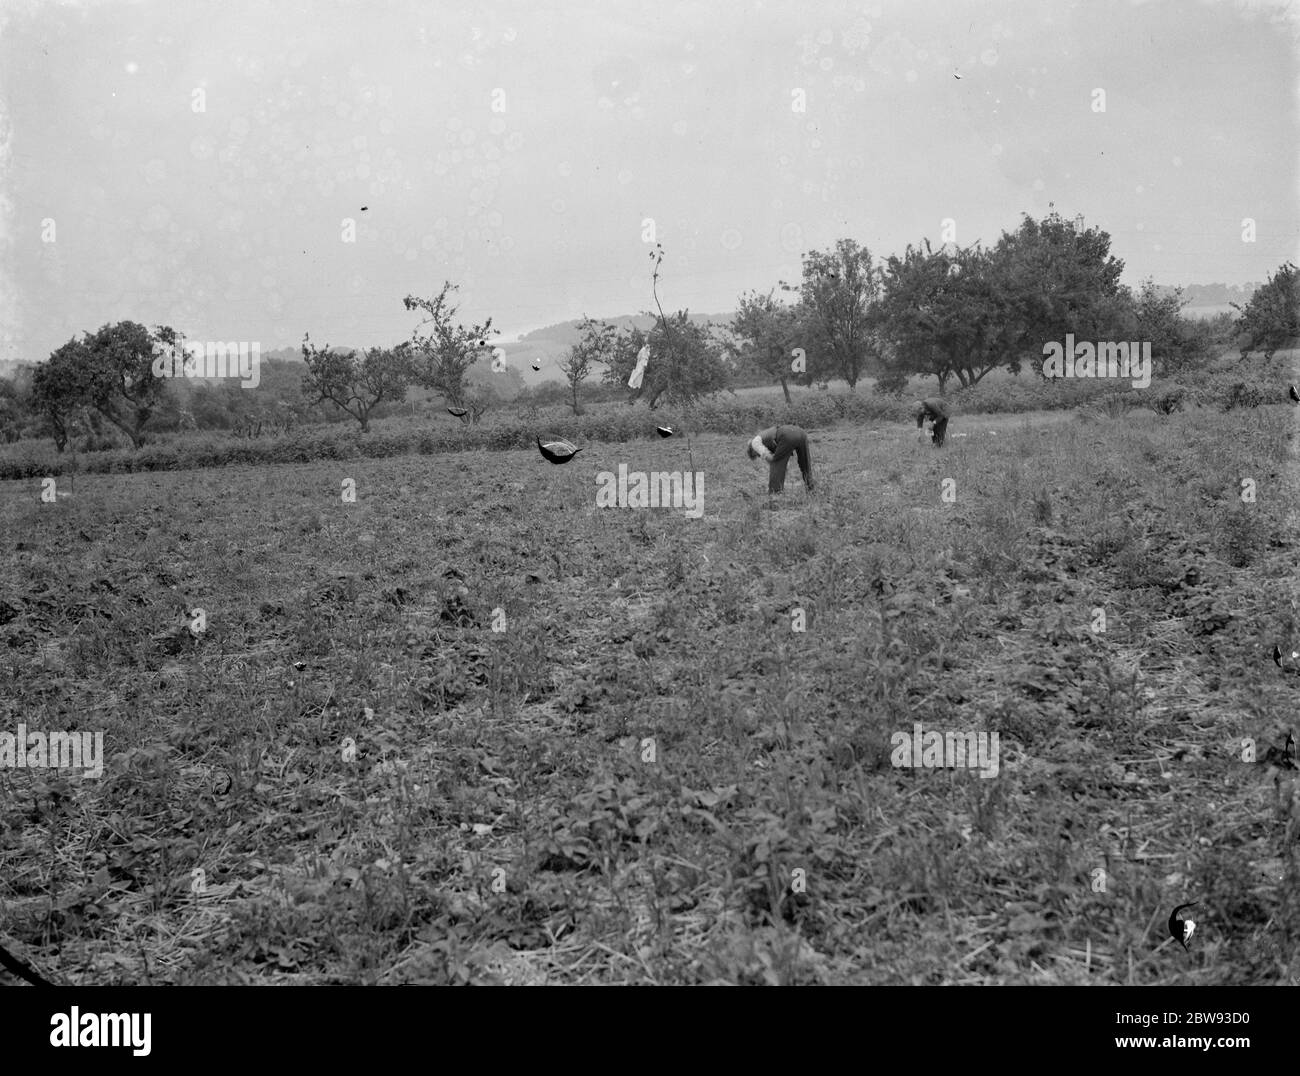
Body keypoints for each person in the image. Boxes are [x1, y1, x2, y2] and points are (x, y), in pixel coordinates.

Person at [747, 425, 814, 494]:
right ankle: (810, 488)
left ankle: (774, 494)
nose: (759, 455)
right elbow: (783, 461)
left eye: (756, 455)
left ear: (752, 450)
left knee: (776, 464)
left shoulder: (754, 443)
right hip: (801, 433)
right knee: (805, 463)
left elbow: (769, 457)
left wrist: (775, 466)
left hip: (787, 435)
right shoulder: (769, 441)